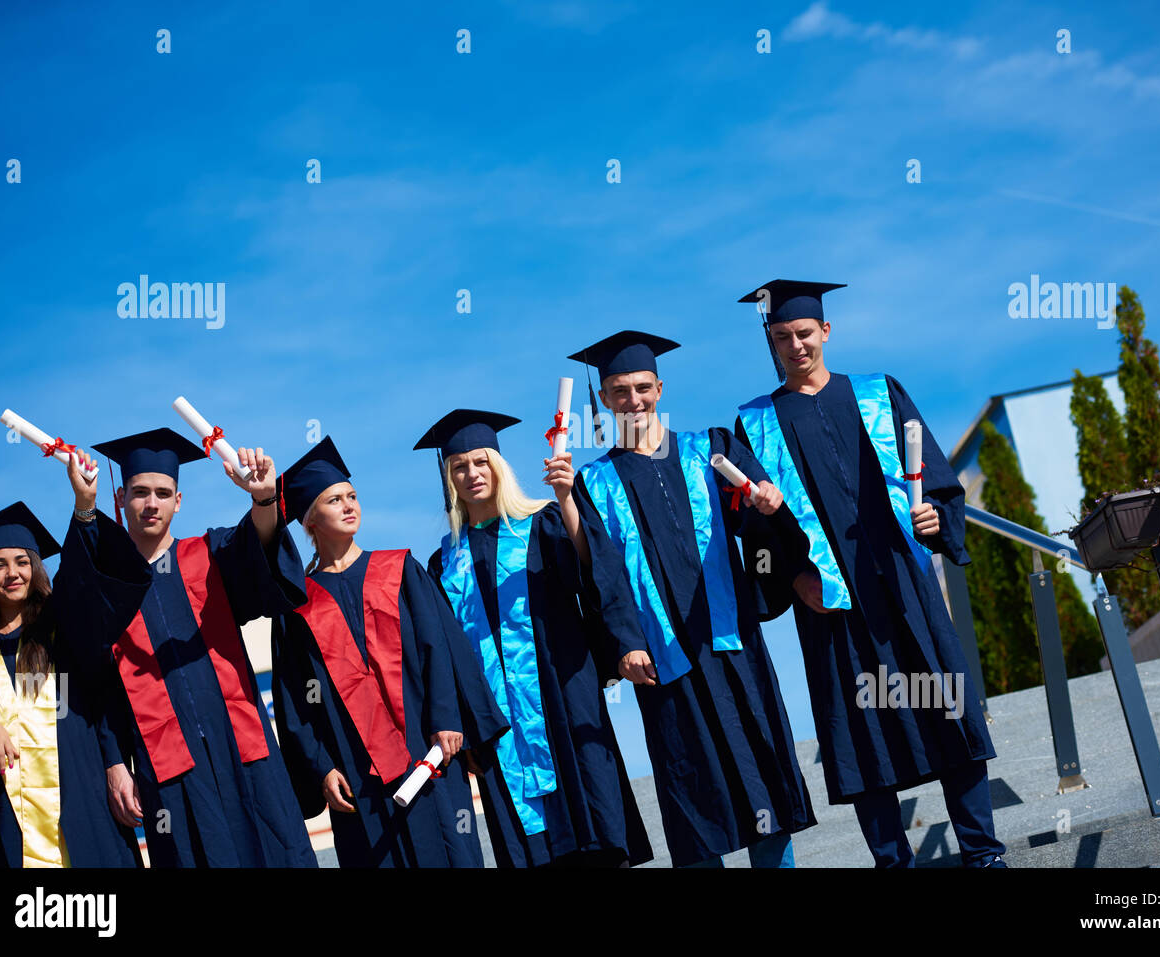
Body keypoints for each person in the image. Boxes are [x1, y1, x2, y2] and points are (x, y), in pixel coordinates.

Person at [734, 279, 1006, 868]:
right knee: (860, 736)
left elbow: (934, 477)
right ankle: (892, 863)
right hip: (830, 601)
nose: (796, 346)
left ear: (825, 331)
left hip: (903, 586)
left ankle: (982, 854)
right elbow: (755, 534)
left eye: (804, 333)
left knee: (948, 712)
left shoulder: (880, 393)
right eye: (782, 337)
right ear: (772, 343)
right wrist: (792, 582)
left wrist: (935, 515)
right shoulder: (754, 423)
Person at [567, 330, 817, 868]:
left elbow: (753, 517)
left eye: (641, 387)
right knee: (693, 792)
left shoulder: (714, 448)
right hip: (663, 659)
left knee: (762, 774)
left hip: (732, 644)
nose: (632, 399)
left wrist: (767, 505)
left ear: (659, 387)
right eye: (618, 391)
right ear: (605, 400)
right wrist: (625, 645)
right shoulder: (595, 482)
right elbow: (604, 573)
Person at [64, 427, 317, 867]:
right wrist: (114, 763)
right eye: (139, 492)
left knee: (275, 850)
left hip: (242, 743)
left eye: (163, 493)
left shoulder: (211, 553)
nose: (151, 503)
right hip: (166, 765)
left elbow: (258, 548)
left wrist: (263, 500)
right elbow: (95, 679)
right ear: (120, 498)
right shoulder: (107, 586)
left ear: (178, 501)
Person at [417, 409, 653, 868]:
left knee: (594, 829)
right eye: (459, 466)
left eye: (481, 461)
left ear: (499, 466)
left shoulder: (542, 525)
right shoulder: (443, 563)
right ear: (448, 479)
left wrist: (566, 500)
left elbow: (591, 574)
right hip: (496, 723)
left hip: (563, 698)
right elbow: (443, 654)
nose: (471, 474)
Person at [271, 436, 508, 868]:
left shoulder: (399, 570)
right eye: (334, 500)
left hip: (428, 749)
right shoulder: (296, 608)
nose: (349, 506)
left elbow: (441, 647)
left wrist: (447, 720)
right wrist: (322, 767)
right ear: (309, 521)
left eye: (352, 496)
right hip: (354, 772)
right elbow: (295, 700)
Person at [0, 454, 140, 867]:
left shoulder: (62, 628)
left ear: (36, 567)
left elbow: (80, 575)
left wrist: (83, 507)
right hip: (15, 819)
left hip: (85, 798)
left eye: (23, 561)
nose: (13, 573)